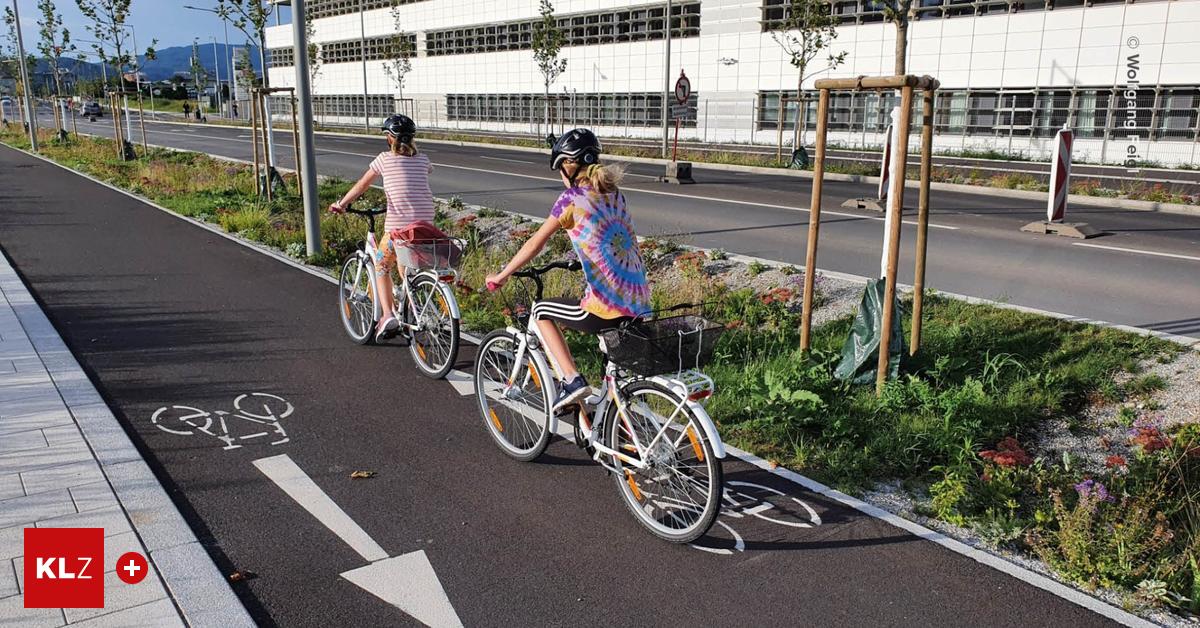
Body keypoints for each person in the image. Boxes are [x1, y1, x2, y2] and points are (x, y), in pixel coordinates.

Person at [486, 129, 650, 411]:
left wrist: (501, 275)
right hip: (640, 302)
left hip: (603, 306)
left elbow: (534, 245)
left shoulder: (571, 199)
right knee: (618, 378)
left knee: (539, 311)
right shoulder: (615, 194)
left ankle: (572, 381)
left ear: (568, 166)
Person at [329, 114, 436, 343]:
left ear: (389, 139)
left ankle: (387, 315)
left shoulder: (384, 159)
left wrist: (342, 204)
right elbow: (418, 179)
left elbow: (362, 184)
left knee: (381, 264)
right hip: (426, 224)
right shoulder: (424, 160)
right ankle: (411, 304)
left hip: (398, 226)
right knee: (406, 267)